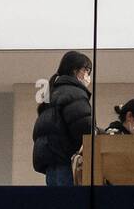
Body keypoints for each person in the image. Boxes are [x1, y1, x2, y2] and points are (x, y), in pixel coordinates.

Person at [32, 51, 96, 187]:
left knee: (57, 206)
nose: (88, 76)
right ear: (75, 70)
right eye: (87, 71)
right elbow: (84, 128)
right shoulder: (74, 93)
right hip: (68, 164)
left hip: (52, 166)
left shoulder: (52, 94)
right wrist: (99, 133)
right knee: (72, 206)